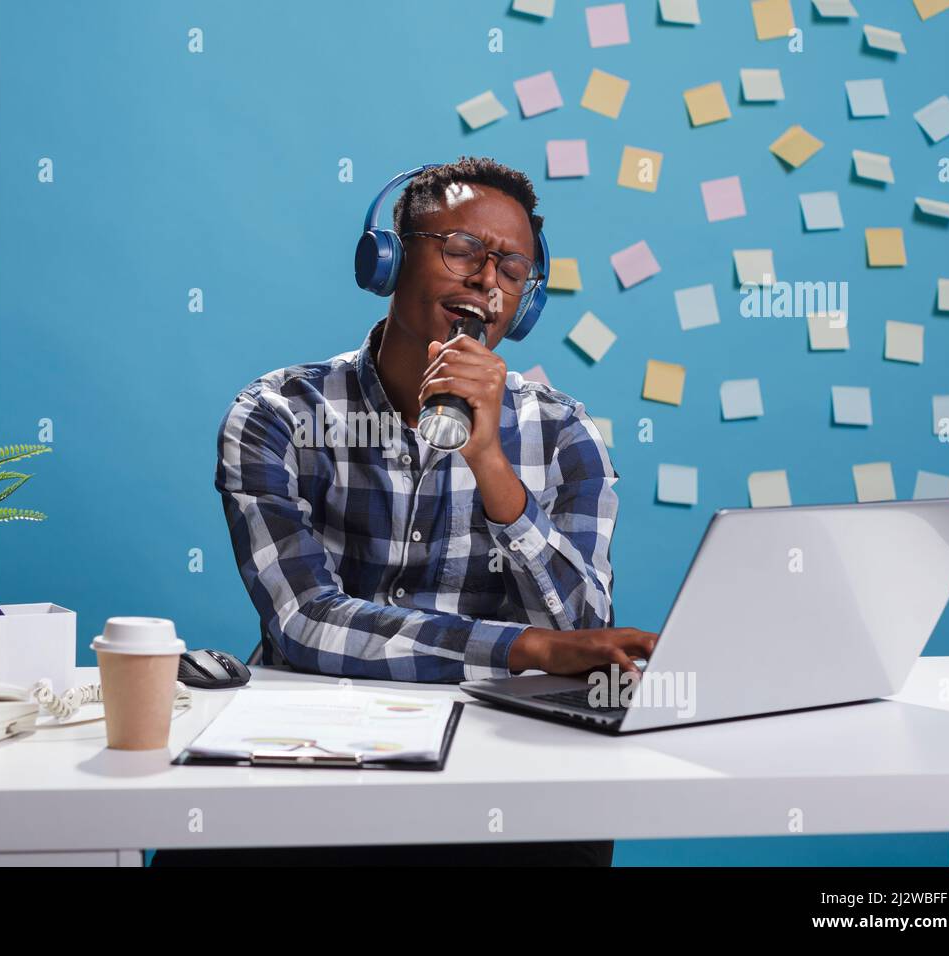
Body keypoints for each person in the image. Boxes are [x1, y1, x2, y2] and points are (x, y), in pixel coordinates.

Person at [152, 157, 658, 867]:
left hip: (496, 750)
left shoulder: (565, 434)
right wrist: (522, 649)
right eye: (463, 250)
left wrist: (491, 463)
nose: (487, 281)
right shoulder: (279, 415)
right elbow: (303, 621)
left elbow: (578, 634)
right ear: (386, 260)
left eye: (511, 269)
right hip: (312, 743)